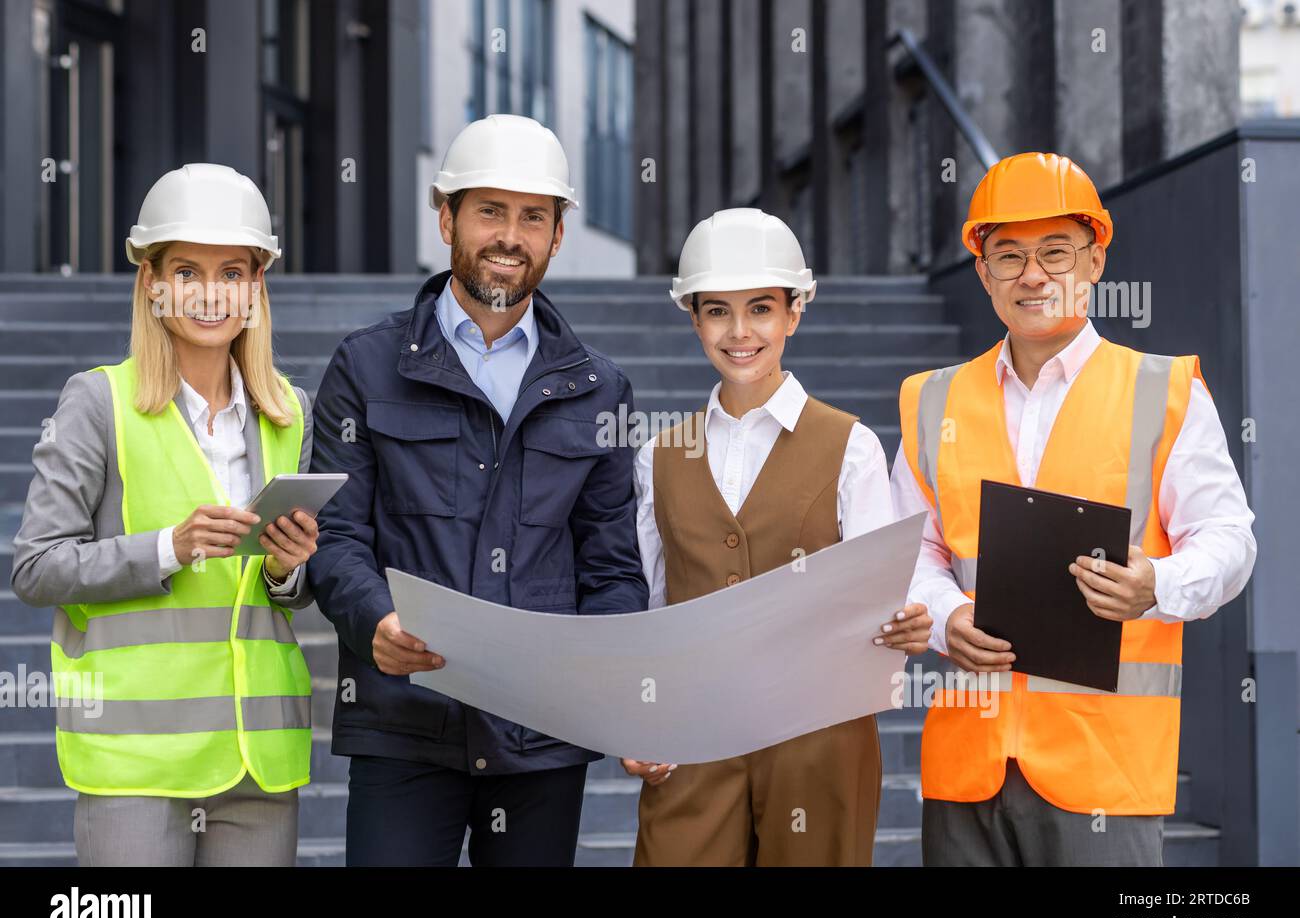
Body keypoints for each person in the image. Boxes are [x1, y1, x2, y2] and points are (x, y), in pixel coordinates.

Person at [890, 152, 1257, 866]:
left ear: (1094, 262)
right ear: (983, 271)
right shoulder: (933, 401)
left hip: (1105, 770)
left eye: (1056, 252)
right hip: (969, 766)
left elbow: (1230, 541)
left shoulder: (1164, 390)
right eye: (1010, 255)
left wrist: (1157, 584)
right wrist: (944, 616)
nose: (1033, 274)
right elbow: (908, 552)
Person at [307, 114, 648, 866]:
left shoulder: (601, 391)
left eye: (534, 217)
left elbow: (613, 567)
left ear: (558, 236)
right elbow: (335, 540)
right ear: (446, 218)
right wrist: (377, 623)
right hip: (403, 724)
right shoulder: (367, 368)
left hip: (541, 737)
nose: (510, 236)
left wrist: (614, 687)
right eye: (489, 210)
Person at [10, 163, 320, 866]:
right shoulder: (99, 403)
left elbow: (289, 597)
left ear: (255, 287)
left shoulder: (288, 414)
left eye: (232, 271)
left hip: (256, 762)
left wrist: (286, 570)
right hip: (137, 763)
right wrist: (166, 549)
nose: (211, 293)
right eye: (187, 270)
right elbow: (34, 566)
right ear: (152, 284)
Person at [623, 208, 932, 866]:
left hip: (819, 738)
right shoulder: (656, 454)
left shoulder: (851, 447)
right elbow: (652, 607)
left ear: (794, 312)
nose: (739, 332)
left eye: (760, 308)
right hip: (694, 740)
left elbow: (880, 606)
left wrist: (902, 628)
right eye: (717, 311)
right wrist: (641, 714)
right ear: (694, 318)